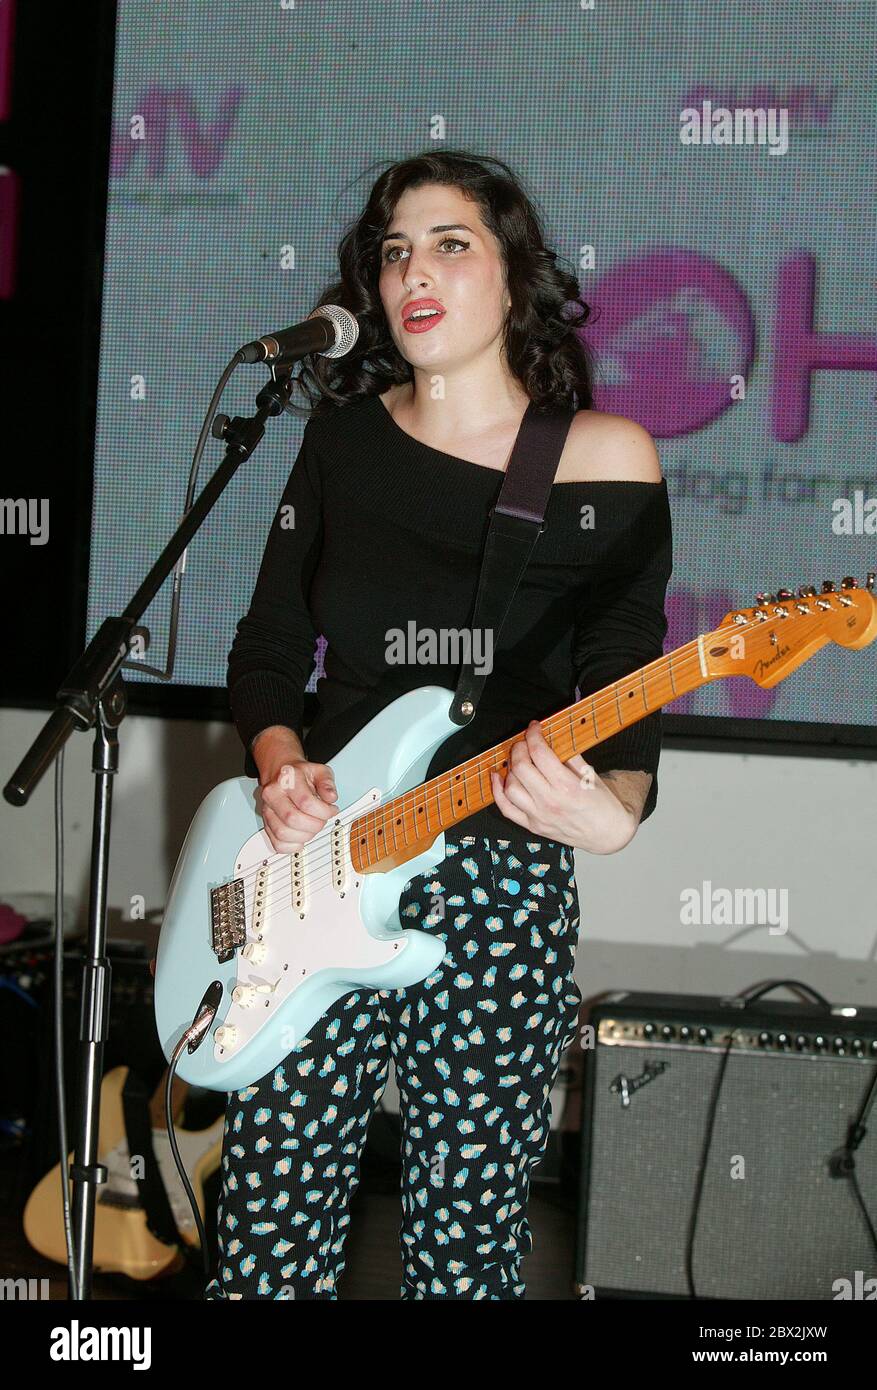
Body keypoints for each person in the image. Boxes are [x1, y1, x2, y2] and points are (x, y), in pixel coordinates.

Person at [205, 149, 673, 1300]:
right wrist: (279, 762)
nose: (413, 271)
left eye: (450, 244)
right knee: (266, 1230)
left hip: (498, 878)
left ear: (515, 275)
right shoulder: (341, 443)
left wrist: (616, 809)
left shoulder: (605, 456)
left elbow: (624, 667)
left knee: (467, 1246)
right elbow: (269, 645)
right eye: (394, 250)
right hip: (317, 867)